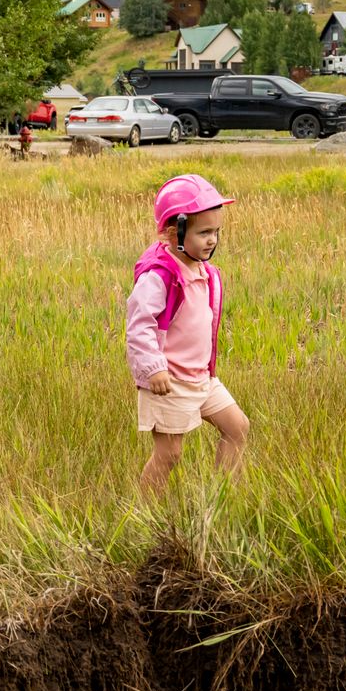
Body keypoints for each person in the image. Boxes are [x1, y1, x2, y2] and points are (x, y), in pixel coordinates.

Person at [124, 174, 252, 495]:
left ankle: (220, 499)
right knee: (170, 454)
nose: (212, 240)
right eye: (204, 232)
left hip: (201, 378)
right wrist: (153, 368)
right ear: (173, 232)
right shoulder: (160, 276)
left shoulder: (203, 270)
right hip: (169, 382)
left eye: (216, 232)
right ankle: (147, 515)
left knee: (237, 427)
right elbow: (140, 325)